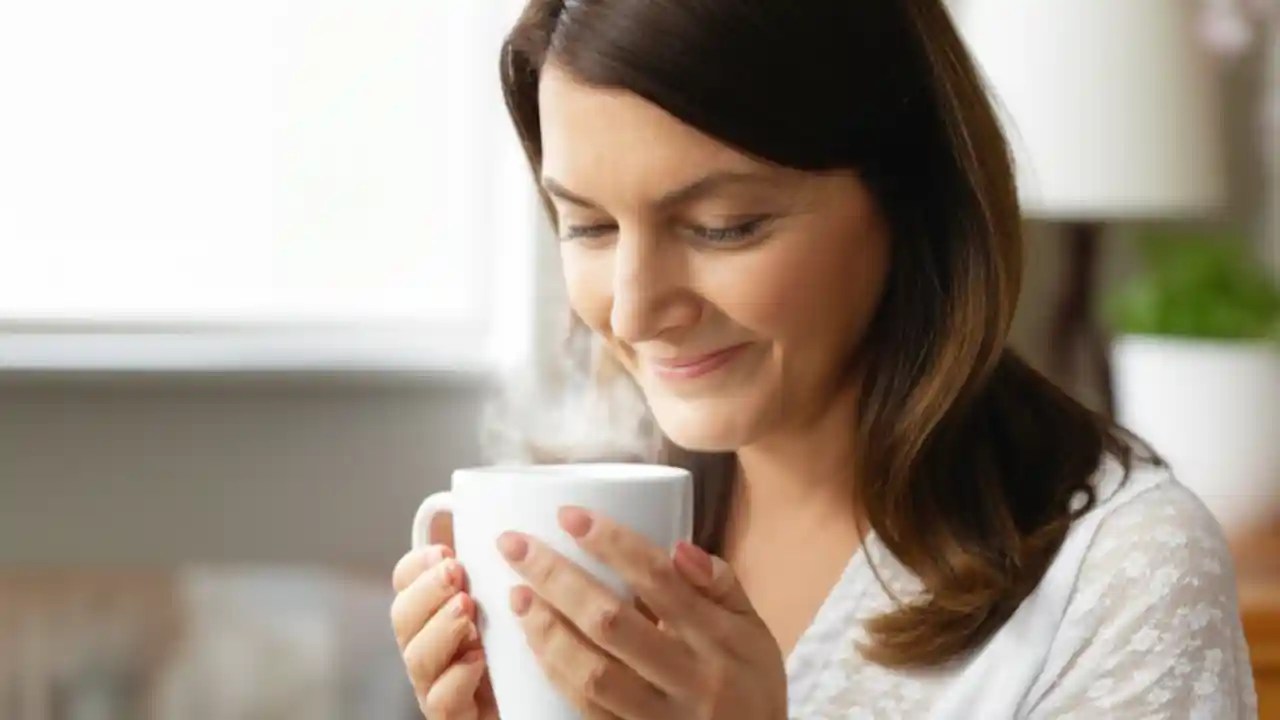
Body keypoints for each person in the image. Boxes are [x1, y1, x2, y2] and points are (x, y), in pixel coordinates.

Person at [390, 1, 1258, 717]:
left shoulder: (1120, 573)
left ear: (910, 200)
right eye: (588, 225)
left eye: (722, 227)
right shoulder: (596, 495)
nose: (633, 309)